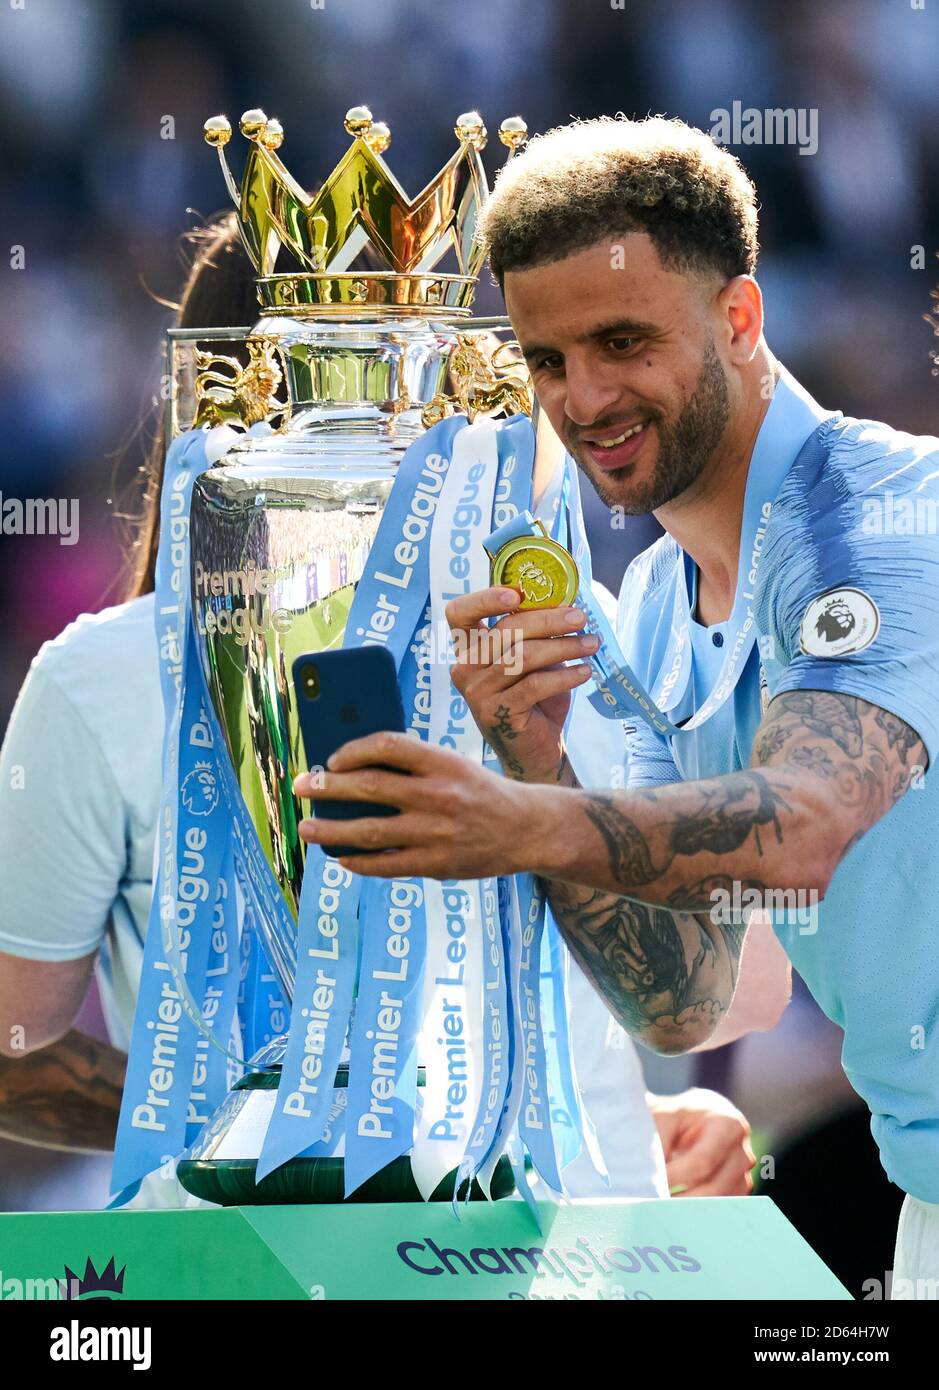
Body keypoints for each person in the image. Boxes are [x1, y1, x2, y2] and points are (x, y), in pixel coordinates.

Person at [0, 210, 767, 1206]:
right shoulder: (609, 639)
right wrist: (391, 1128)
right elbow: (710, 997)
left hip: (278, 1254)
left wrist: (250, 1123)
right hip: (567, 1253)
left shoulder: (102, 675)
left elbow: (13, 1040)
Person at [292, 115, 939, 1295]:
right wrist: (538, 765)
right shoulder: (645, 603)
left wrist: (511, 822)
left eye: (623, 341)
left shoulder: (882, 518)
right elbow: (686, 994)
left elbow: (801, 825)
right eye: (547, 359)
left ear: (739, 319)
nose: (583, 398)